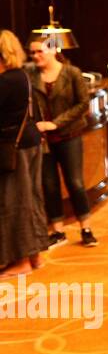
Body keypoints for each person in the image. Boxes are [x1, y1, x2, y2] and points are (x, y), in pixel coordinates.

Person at [27, 37, 96, 248]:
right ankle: (58, 231)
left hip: (69, 136)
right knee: (49, 184)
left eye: (40, 51)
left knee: (75, 182)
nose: (36, 56)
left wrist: (55, 124)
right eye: (32, 53)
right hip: (44, 140)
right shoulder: (31, 75)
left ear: (53, 50)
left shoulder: (72, 73)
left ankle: (86, 228)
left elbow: (83, 104)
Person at [0, 30, 47, 278]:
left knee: (14, 201)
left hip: (13, 147)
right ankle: (35, 255)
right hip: (30, 141)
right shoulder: (22, 76)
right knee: (31, 198)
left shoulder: (6, 81)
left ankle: (20, 261)